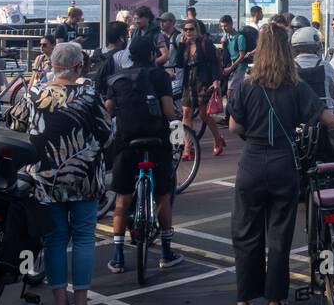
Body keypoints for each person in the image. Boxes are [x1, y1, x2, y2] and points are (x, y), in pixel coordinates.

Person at [228, 23, 334, 305]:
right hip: (283, 162)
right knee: (279, 235)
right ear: (287, 50)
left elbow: (233, 126)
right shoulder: (296, 85)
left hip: (252, 160)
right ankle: (275, 299)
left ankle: (244, 299)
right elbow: (323, 115)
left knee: (246, 232)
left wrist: (250, 133)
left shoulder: (245, 85)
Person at [7, 41, 112, 305]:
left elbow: (14, 121)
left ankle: (59, 301)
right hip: (84, 176)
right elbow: (107, 133)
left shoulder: (35, 93)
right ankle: (81, 301)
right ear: (78, 66)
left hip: (45, 177)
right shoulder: (89, 95)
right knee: (84, 237)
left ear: (52, 65)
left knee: (55, 238)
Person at [105, 36, 183, 273]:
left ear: (129, 56)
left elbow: (107, 114)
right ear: (152, 55)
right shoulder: (160, 76)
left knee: (122, 198)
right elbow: (169, 111)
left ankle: (118, 257)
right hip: (156, 141)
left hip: (126, 143)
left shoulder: (115, 79)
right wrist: (178, 121)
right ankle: (167, 253)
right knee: (162, 195)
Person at [179, 18, 225, 158]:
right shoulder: (185, 45)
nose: (188, 32)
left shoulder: (206, 43)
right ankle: (188, 147)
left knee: (203, 114)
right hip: (188, 84)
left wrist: (216, 80)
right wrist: (181, 45)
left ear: (197, 30)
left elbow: (213, 63)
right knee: (186, 113)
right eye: (185, 29)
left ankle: (218, 139)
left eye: (191, 29)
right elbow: (179, 64)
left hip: (203, 83)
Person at [88, 21, 131, 101]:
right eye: (126, 36)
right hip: (113, 99)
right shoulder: (123, 55)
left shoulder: (98, 52)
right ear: (121, 38)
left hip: (97, 96)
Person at [219, 15, 251, 95]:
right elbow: (224, 52)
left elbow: (241, 56)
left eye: (225, 26)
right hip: (231, 64)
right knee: (227, 89)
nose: (223, 28)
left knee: (231, 90)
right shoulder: (226, 36)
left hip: (240, 65)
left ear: (231, 24)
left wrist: (230, 68)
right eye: (222, 26)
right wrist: (223, 43)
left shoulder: (240, 37)